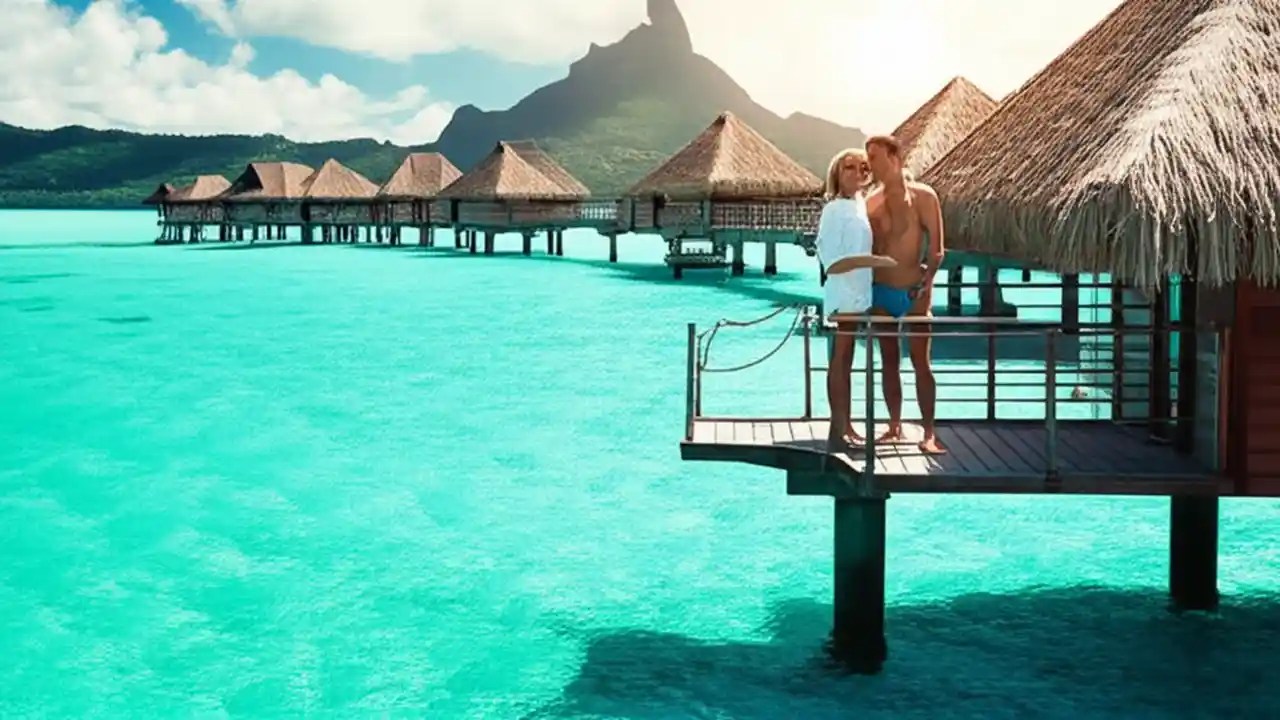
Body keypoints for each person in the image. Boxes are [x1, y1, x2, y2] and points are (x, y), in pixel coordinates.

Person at [864, 134, 948, 455]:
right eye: (867, 157)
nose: (870, 164)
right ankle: (894, 425)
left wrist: (927, 282)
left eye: (874, 156)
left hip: (915, 292)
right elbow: (864, 247)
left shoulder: (925, 197)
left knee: (920, 362)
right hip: (882, 291)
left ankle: (929, 433)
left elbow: (938, 250)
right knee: (888, 361)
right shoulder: (871, 202)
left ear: (894, 156)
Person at [816, 148, 898, 452]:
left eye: (863, 167)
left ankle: (845, 425)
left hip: (859, 293)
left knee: (846, 360)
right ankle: (840, 428)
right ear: (837, 174)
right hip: (844, 293)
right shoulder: (835, 209)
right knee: (841, 360)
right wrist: (877, 262)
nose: (858, 172)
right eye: (849, 167)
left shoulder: (859, 205)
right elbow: (833, 263)